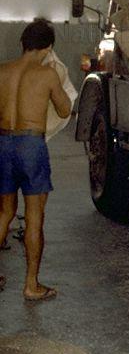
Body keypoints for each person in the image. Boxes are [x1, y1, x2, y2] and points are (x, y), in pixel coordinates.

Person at [0, 19, 71, 301]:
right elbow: (65, 111)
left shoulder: (3, 71)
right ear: (48, 47)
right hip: (31, 145)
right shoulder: (47, 74)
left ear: (23, 43)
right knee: (34, 216)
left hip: (3, 142)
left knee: (4, 212)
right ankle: (31, 285)